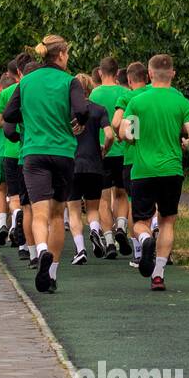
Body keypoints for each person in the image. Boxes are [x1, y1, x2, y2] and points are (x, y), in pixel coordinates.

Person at [2, 36, 90, 293]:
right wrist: (78, 123)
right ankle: (50, 274)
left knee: (39, 213)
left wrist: (29, 116)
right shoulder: (70, 81)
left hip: (34, 153)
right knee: (56, 214)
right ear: (61, 54)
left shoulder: (27, 82)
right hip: (63, 153)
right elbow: (82, 110)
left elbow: (8, 115)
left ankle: (41, 251)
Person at [122, 54, 189, 291]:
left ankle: (145, 240)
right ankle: (158, 274)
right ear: (173, 74)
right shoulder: (182, 102)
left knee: (140, 221)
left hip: (143, 170)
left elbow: (126, 132)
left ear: (149, 74)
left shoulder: (137, 101)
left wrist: (134, 137)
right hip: (171, 170)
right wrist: (187, 145)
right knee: (167, 220)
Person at [67, 72, 115, 264]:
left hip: (73, 164)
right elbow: (110, 134)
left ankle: (80, 250)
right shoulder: (99, 109)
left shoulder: (66, 110)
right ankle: (95, 231)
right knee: (93, 208)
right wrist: (105, 149)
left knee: (74, 210)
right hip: (95, 164)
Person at [0, 58, 27, 255]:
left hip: (7, 150)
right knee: (35, 201)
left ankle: (8, 222)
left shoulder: (3, 95)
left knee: (7, 192)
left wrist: (10, 124)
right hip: (32, 150)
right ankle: (28, 243)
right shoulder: (40, 89)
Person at [111, 61, 150, 267]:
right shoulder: (155, 93)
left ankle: (138, 251)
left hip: (133, 159)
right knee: (159, 208)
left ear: (129, 80)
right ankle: (163, 250)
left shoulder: (126, 98)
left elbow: (117, 123)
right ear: (148, 77)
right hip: (160, 157)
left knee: (136, 206)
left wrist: (123, 135)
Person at [90, 57, 129, 255]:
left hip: (101, 151)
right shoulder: (126, 93)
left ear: (99, 73)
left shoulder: (94, 94)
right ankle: (121, 226)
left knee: (103, 199)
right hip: (123, 150)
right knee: (121, 194)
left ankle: (109, 241)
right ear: (117, 72)